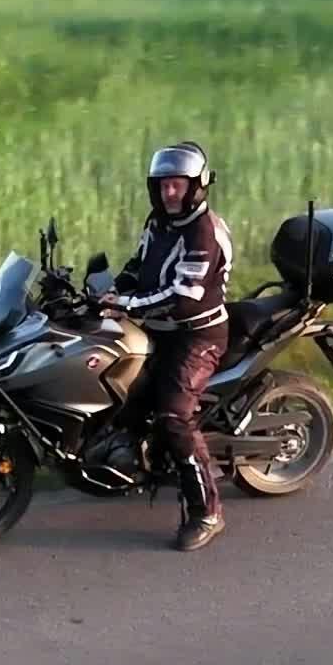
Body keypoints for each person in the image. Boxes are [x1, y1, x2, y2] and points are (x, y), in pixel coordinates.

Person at [104, 140, 234, 552]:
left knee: (173, 416)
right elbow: (138, 265)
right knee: (119, 385)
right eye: (162, 185)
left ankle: (206, 512)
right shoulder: (158, 222)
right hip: (159, 328)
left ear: (197, 186)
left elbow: (184, 298)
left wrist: (126, 305)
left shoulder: (203, 232)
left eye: (177, 185)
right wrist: (109, 290)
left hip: (196, 335)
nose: (169, 193)